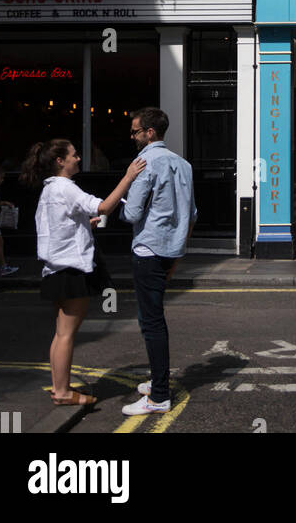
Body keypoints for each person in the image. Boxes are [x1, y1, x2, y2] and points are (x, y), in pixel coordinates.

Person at [20, 138, 146, 406]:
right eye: (74, 155)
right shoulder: (66, 187)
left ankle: (58, 388)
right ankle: (64, 393)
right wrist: (128, 177)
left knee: (60, 333)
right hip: (73, 269)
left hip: (55, 268)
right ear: (60, 161)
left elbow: (60, 227)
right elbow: (103, 206)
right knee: (67, 334)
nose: (78, 158)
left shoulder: (50, 190)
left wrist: (82, 224)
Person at [119, 107, 197, 416]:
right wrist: (179, 247)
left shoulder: (144, 163)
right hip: (170, 251)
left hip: (148, 249)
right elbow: (191, 215)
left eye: (136, 131)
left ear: (150, 132)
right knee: (154, 319)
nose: (133, 137)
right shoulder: (184, 165)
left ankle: (160, 396)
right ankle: (157, 383)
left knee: (150, 322)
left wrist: (123, 204)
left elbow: (132, 214)